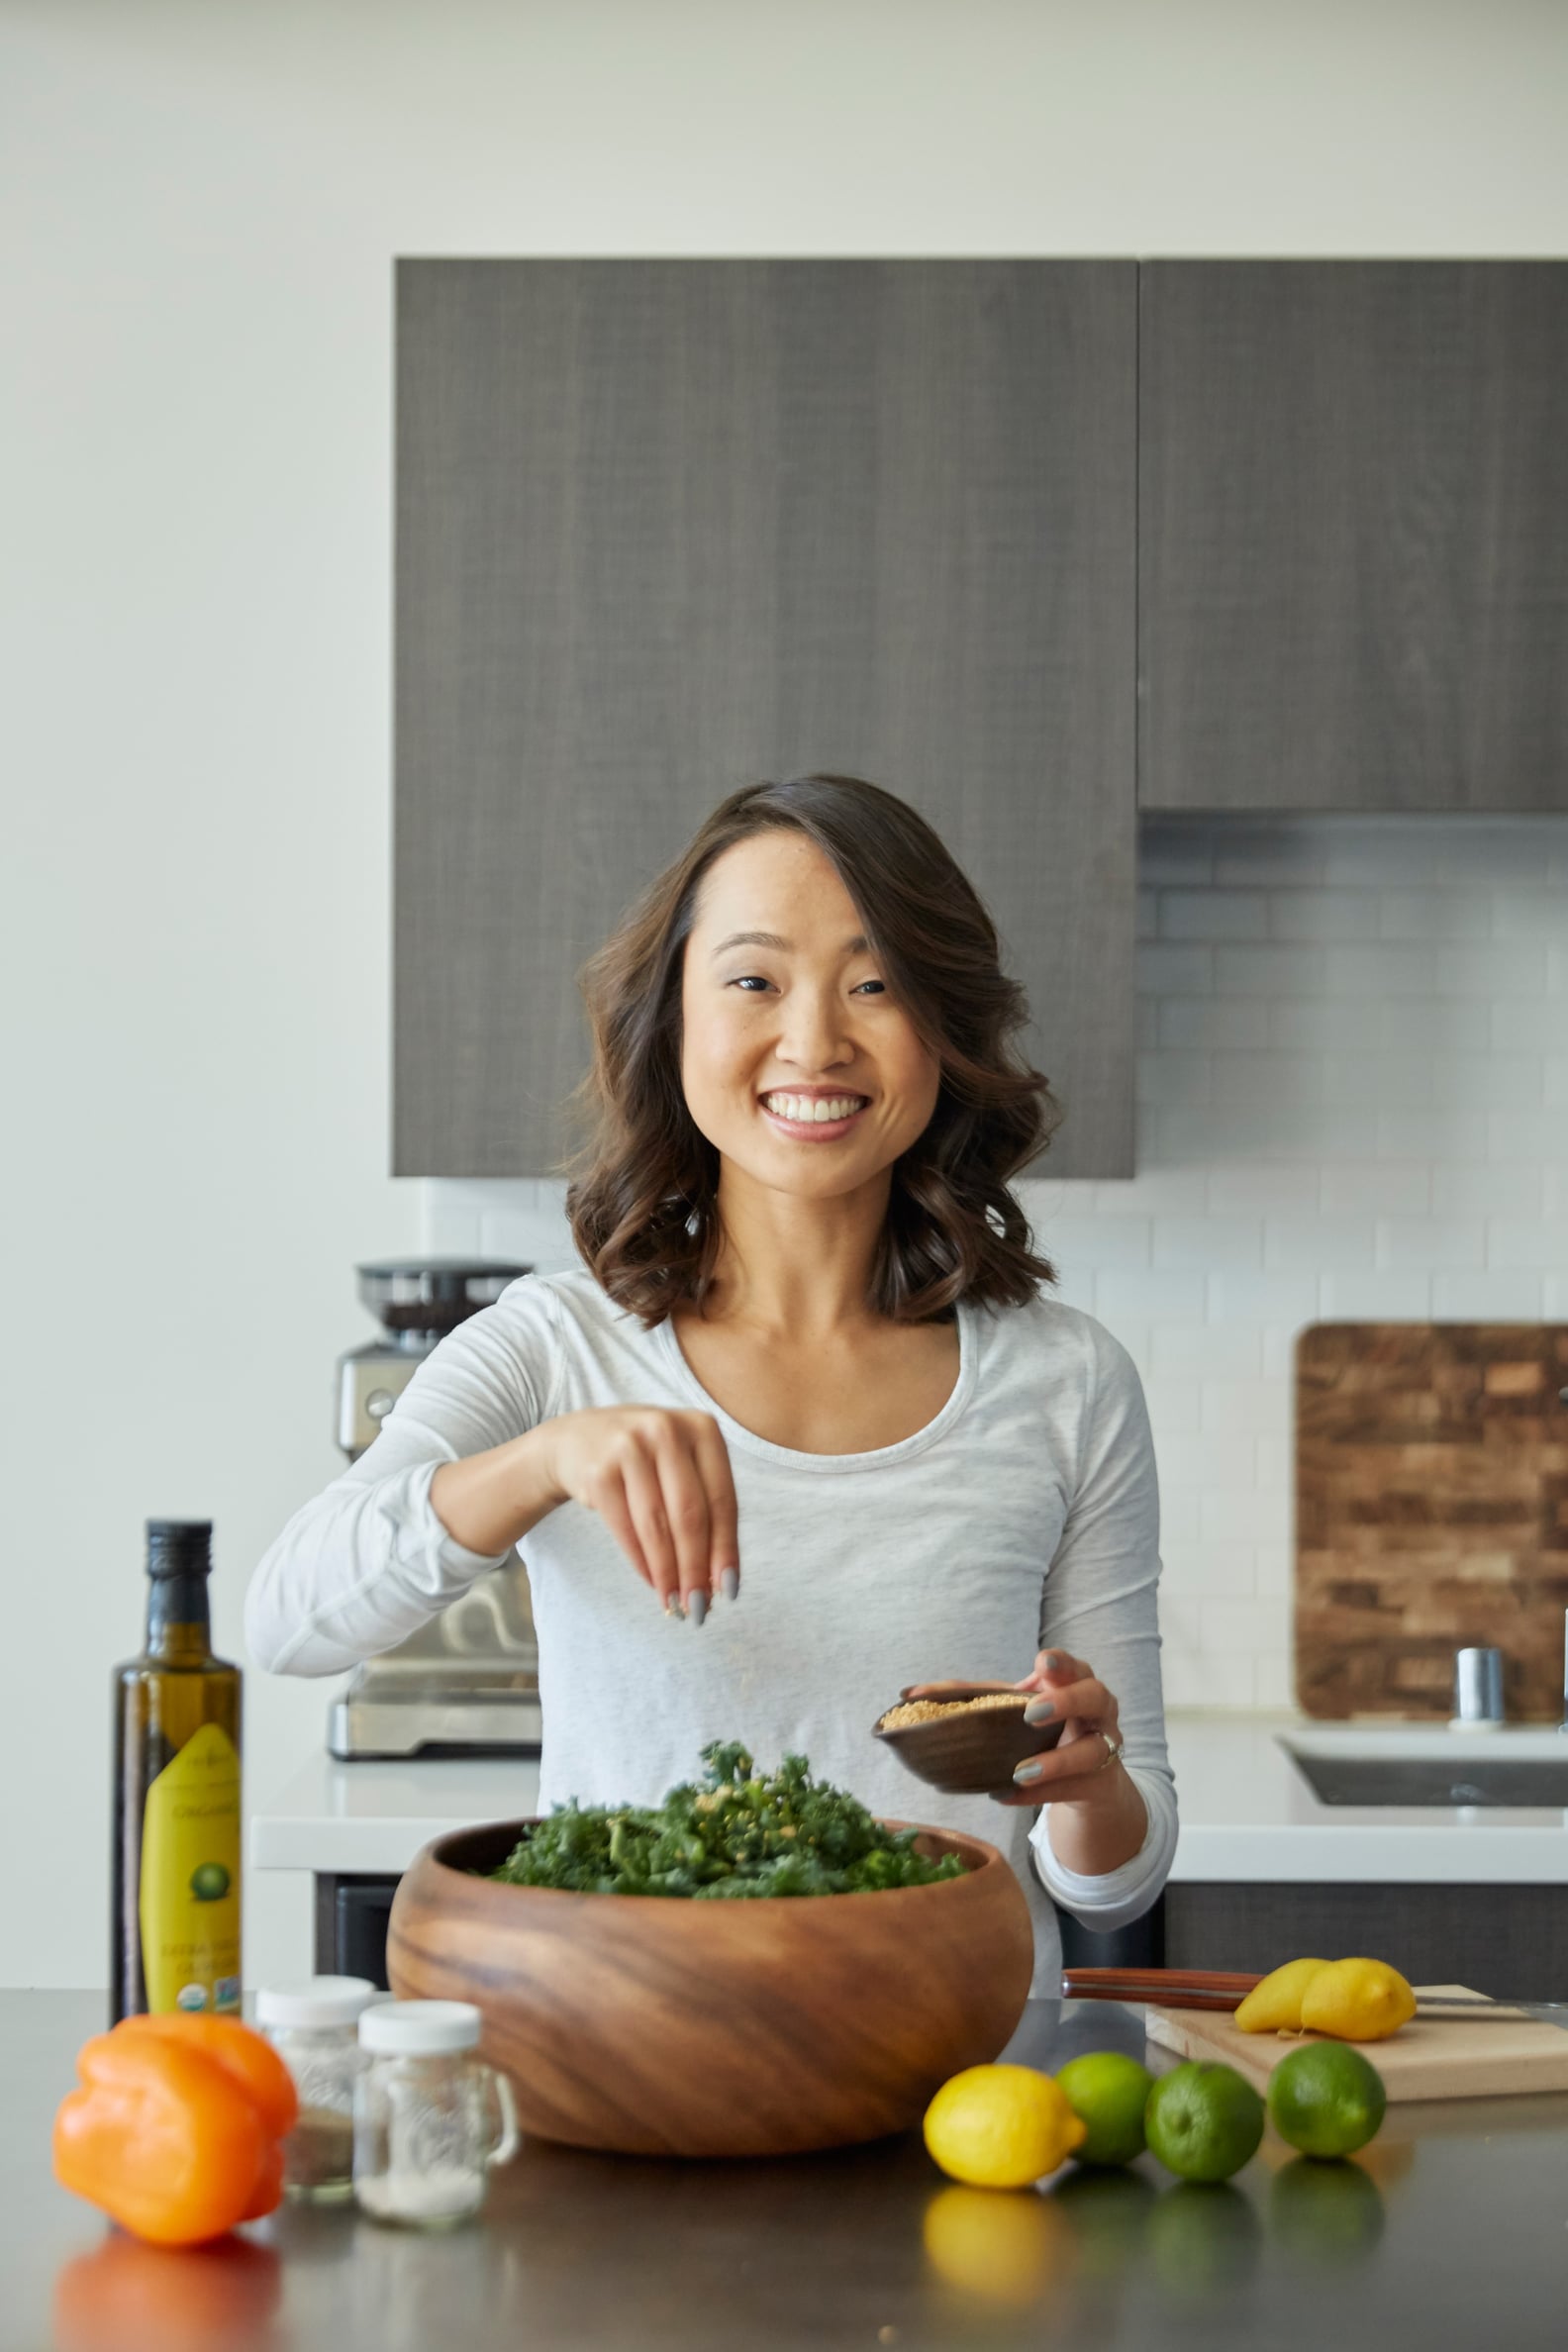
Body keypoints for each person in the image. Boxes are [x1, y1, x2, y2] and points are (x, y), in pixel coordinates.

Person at [246, 773, 1176, 1990]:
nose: (815, 1041)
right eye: (753, 981)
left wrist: (1090, 1780)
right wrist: (542, 1463)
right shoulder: (553, 1346)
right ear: (674, 1020)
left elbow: (1119, 1876)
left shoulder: (1068, 1381)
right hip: (639, 2050)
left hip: (955, 2080)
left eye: (875, 983)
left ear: (942, 1028)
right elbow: (289, 1620)